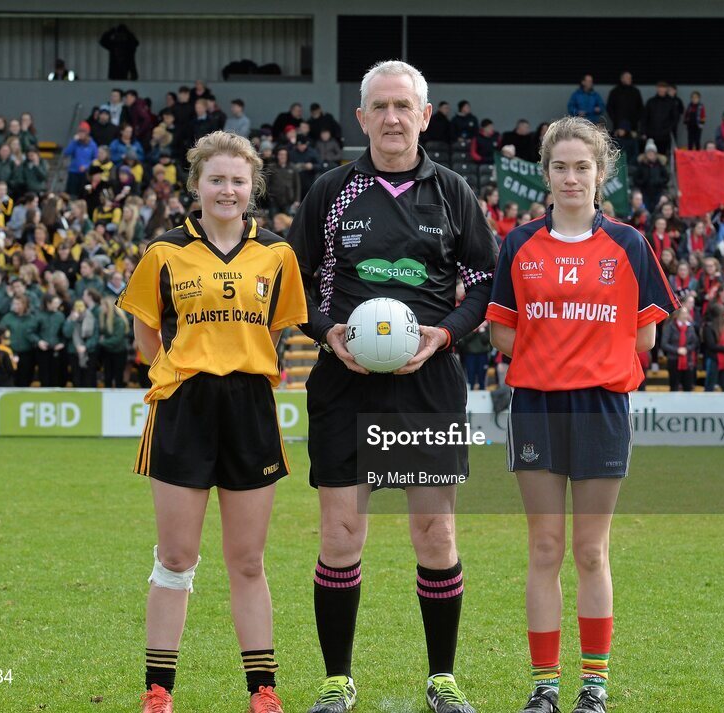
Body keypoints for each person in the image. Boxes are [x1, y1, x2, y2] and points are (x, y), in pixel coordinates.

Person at [288, 60, 497, 713]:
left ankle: (442, 679)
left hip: (428, 385)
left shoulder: (454, 192)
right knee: (341, 535)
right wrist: (328, 335)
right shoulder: (330, 190)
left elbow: (488, 284)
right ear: (361, 117)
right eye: (379, 106)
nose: (392, 117)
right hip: (344, 387)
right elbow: (290, 282)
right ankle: (335, 680)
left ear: (425, 115)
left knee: (435, 533)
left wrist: (445, 334)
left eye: (403, 106)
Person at [486, 116, 677, 713]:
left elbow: (645, 340)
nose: (572, 178)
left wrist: (580, 354)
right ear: (545, 175)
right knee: (544, 548)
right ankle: (544, 686)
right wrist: (557, 356)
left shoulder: (629, 245)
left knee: (592, 551)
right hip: (538, 405)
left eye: (583, 167)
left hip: (601, 407)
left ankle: (593, 686)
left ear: (602, 175)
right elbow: (500, 332)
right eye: (561, 168)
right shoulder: (519, 244)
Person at [117, 130, 307, 713]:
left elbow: (278, 326)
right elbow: (145, 332)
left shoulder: (277, 254)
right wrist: (177, 371)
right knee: (175, 558)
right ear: (195, 185)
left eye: (239, 181)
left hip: (249, 408)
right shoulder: (164, 253)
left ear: (253, 190)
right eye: (217, 179)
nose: (228, 190)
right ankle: (158, 690)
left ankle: (262, 691)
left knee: (248, 561)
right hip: (183, 409)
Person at [661, 307, 699, 391]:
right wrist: (677, 350)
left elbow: (694, 342)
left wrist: (687, 349)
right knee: (674, 386)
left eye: (686, 313)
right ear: (678, 315)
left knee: (688, 387)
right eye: (683, 313)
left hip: (687, 360)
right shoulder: (670, 326)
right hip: (673, 360)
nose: (686, 315)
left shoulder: (690, 327)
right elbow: (664, 344)